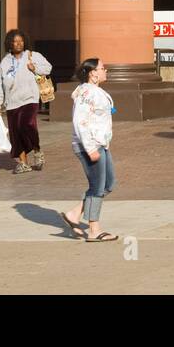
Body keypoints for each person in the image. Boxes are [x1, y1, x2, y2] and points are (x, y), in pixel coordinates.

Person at [62, 59, 118, 242]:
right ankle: (94, 229)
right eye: (102, 68)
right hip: (90, 145)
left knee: (109, 183)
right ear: (93, 73)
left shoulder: (96, 91)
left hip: (101, 143)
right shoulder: (86, 92)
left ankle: (74, 213)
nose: (105, 71)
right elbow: (80, 122)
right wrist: (90, 148)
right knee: (97, 187)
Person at [0, 29, 52, 174]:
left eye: (21, 41)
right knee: (15, 132)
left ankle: (37, 150)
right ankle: (23, 163)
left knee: (28, 125)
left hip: (30, 99)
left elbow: (48, 68)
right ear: (10, 44)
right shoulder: (5, 62)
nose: (19, 44)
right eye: (15, 41)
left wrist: (35, 68)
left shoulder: (33, 56)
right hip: (12, 102)